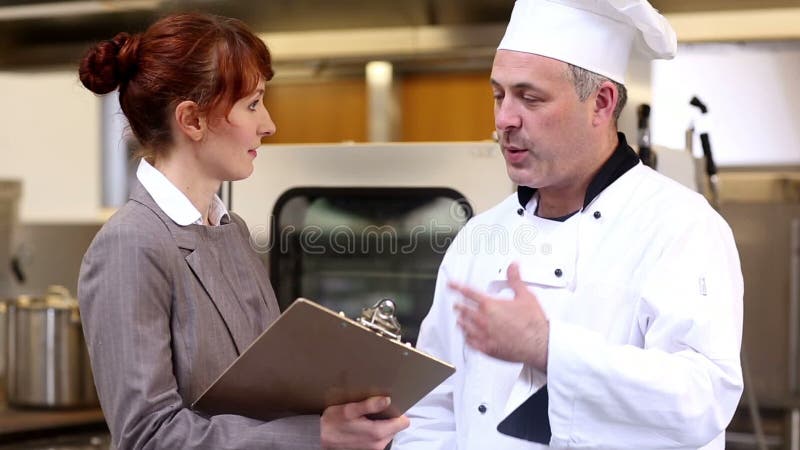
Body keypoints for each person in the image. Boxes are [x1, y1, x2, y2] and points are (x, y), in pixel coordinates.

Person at [392, 0, 743, 449]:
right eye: (499, 95)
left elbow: (702, 400)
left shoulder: (681, 226)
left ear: (601, 102)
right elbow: (430, 407)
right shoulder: (480, 237)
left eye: (530, 97)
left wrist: (549, 347)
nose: (504, 120)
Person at [77, 12, 408, 450]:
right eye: (252, 104)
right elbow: (147, 437)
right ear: (192, 120)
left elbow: (263, 399)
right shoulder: (131, 244)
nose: (268, 124)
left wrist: (341, 411)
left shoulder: (229, 230)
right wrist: (316, 436)